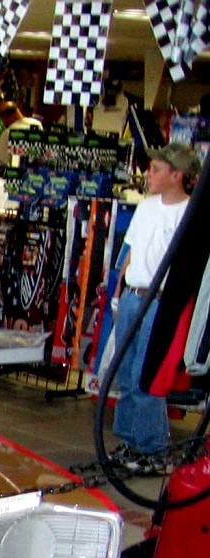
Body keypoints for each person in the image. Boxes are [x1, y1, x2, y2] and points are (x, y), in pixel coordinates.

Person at [109, 143, 200, 474]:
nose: (148, 175)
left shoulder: (190, 215)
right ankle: (131, 440)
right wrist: (118, 292)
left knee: (148, 375)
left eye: (156, 169)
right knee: (126, 372)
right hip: (134, 295)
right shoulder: (145, 207)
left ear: (176, 175)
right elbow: (130, 251)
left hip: (161, 301)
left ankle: (154, 448)